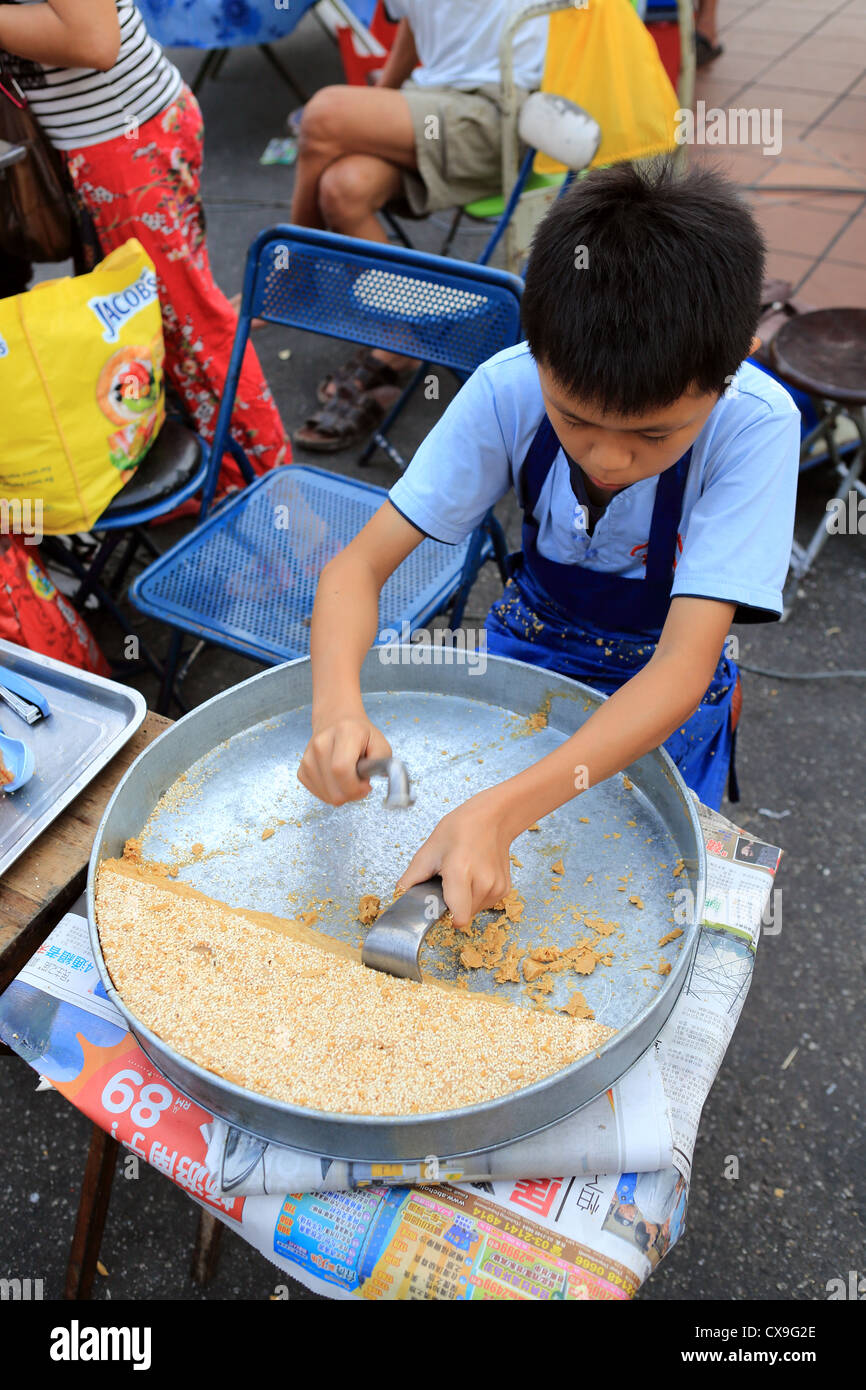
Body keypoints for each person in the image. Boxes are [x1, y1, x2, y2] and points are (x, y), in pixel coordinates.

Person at [297, 161, 800, 928]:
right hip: (532, 643)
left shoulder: (755, 426)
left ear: (727, 377)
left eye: (653, 435)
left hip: (660, 682)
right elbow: (356, 569)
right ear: (539, 357)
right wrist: (337, 709)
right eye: (574, 421)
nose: (606, 458)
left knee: (631, 894)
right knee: (492, 868)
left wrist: (504, 811)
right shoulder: (509, 388)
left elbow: (682, 666)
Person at [0, 0, 288, 493]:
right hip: (93, 146)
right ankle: (218, 488)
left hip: (122, 144)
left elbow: (94, 40)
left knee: (192, 334)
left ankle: (282, 508)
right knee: (144, 333)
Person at [290, 0, 547, 451]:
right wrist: (380, 102)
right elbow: (412, 20)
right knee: (342, 187)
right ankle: (400, 339)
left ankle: (294, 270)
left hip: (500, 111)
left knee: (322, 114)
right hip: (426, 106)